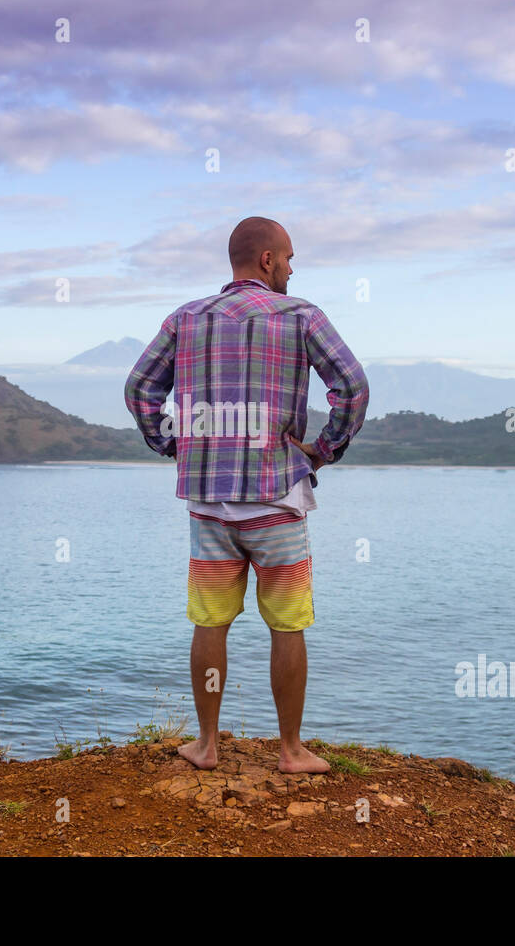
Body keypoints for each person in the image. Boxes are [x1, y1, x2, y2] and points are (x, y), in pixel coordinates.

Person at [124, 216, 368, 773]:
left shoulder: (186, 317)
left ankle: (206, 746)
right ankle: (290, 751)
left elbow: (140, 387)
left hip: (209, 503)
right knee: (288, 623)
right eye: (288, 257)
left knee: (210, 621)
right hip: (278, 500)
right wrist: (323, 448)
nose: (291, 267)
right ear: (266, 260)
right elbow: (352, 386)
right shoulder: (302, 315)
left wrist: (171, 442)